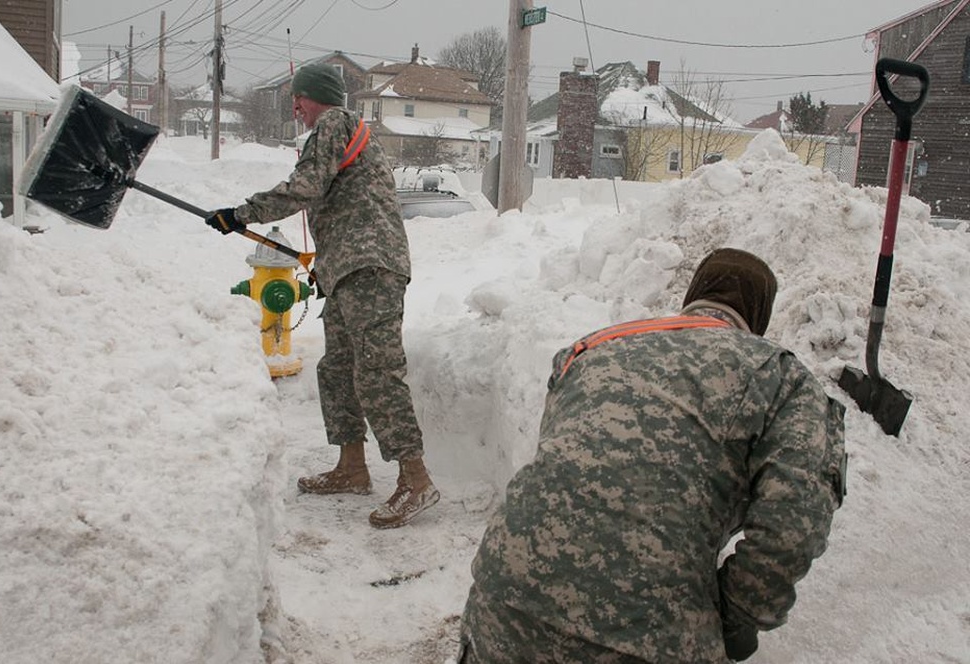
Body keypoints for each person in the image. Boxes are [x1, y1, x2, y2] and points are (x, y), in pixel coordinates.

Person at [458, 248, 847, 663]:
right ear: (759, 315)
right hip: (643, 640)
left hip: (500, 609)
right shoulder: (781, 378)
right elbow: (793, 524)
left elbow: (561, 467)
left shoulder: (592, 348)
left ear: (693, 294)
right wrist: (740, 616)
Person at [204, 63, 439, 529]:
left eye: (299, 97)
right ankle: (352, 466)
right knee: (336, 370)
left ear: (318, 97)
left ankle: (416, 478)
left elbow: (306, 187)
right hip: (348, 270)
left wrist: (241, 213)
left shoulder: (334, 122)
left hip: (370, 266)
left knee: (377, 370)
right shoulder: (338, 132)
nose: (295, 105)